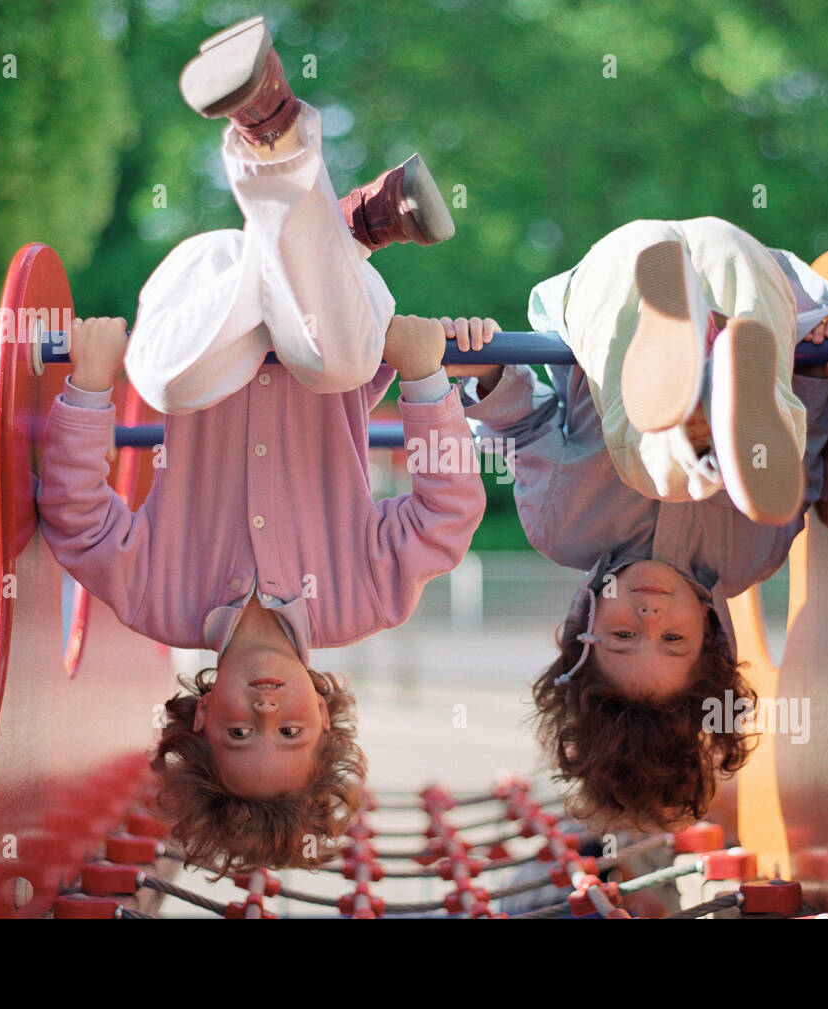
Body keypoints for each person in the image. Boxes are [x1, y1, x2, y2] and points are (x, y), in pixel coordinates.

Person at [37, 14, 494, 876]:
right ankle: (277, 135)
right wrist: (429, 385)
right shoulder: (366, 599)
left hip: (205, 304)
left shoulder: (155, 599)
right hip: (330, 329)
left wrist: (91, 390)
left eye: (242, 732)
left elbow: (75, 518)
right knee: (343, 357)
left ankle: (346, 223)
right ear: (327, 710)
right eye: (289, 731)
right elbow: (448, 515)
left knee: (166, 380)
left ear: (199, 714)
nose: (265, 708)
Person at [452, 216, 828, 830]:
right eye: (672, 641)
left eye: (622, 638)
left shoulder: (561, 527)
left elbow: (521, 426)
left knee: (649, 451)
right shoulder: (754, 553)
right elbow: (811, 459)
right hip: (740, 266)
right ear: (713, 638)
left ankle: (685, 413)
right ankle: (715, 397)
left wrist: (485, 376)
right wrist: (817, 372)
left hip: (617, 287)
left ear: (585, 629)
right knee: (775, 429)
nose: (649, 618)